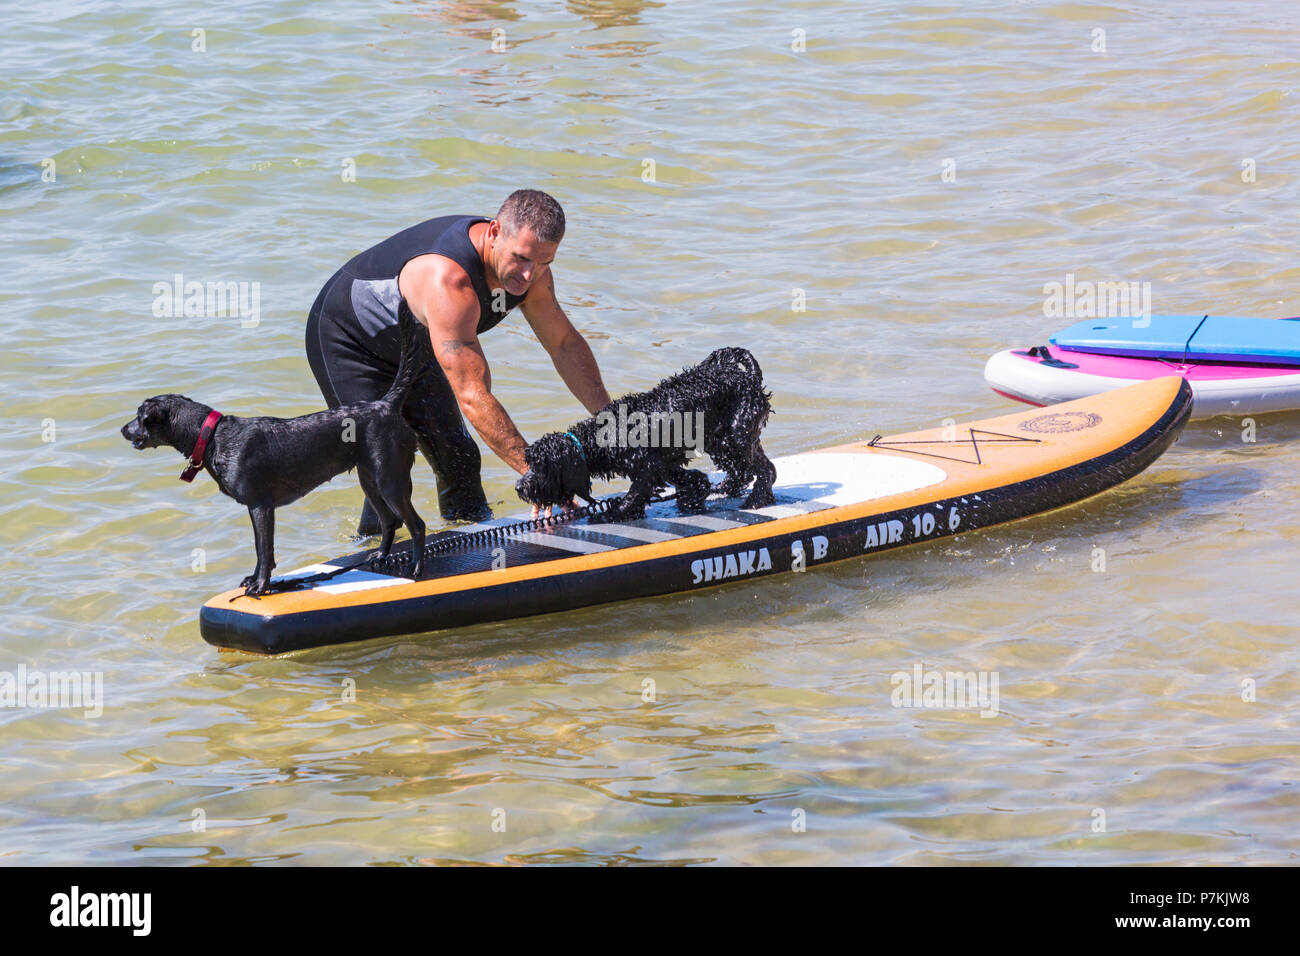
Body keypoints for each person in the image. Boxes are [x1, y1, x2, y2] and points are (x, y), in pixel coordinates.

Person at [305, 189, 611, 532]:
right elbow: (473, 397)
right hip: (348, 340)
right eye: (522, 259)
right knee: (387, 466)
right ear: (494, 233)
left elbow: (565, 345)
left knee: (459, 456)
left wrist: (612, 419)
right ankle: (369, 559)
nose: (529, 276)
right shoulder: (451, 282)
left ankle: (470, 540)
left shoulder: (532, 275)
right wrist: (538, 475)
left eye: (544, 263)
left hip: (416, 342)